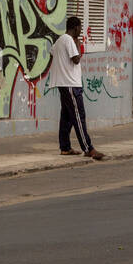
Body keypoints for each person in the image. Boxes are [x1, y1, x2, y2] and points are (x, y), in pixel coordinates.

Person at [49, 16, 104, 160]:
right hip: (71, 84)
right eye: (80, 28)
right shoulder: (69, 40)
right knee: (79, 116)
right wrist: (78, 44)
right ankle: (88, 148)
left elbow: (52, 52)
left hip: (63, 83)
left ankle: (65, 147)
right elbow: (76, 59)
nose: (80, 30)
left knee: (66, 117)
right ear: (76, 27)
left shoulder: (60, 40)